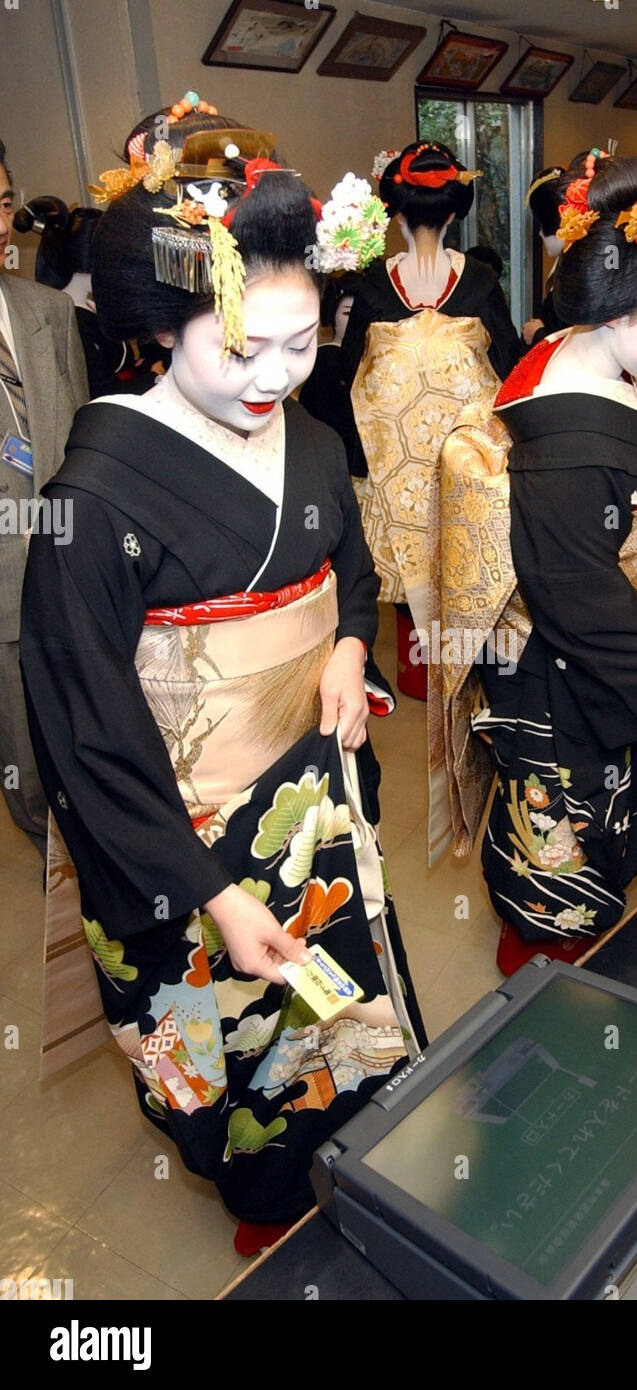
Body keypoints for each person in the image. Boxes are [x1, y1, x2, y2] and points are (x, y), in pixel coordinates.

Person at [19, 108, 424, 1250]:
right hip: (179, 833)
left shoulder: (307, 437)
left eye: (300, 346)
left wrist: (348, 642)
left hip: (316, 793)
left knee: (347, 995)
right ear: (159, 328)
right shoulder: (90, 499)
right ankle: (272, 1210)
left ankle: (362, 1161)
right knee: (244, 1039)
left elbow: (350, 560)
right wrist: (208, 890)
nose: (274, 377)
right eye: (239, 348)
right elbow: (88, 734)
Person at [429, 156, 637, 974]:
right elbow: (576, 595)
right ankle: (543, 968)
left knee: (594, 798)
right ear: (613, 306)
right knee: (564, 815)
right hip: (561, 650)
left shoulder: (582, 355)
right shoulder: (570, 444)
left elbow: (626, 475)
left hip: (584, 618)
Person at [340, 141, 521, 698]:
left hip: (396, 465)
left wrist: (355, 461)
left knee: (411, 550)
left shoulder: (370, 286)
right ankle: (475, 670)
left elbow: (344, 379)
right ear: (453, 213)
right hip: (468, 456)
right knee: (472, 553)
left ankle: (423, 676)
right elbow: (511, 366)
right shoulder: (480, 284)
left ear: (393, 212)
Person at [0, 139, 88, 856]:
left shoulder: (48, 312)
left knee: (85, 730)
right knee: (24, 759)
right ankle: (47, 857)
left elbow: (80, 439)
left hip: (67, 565)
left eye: (2, 204)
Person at [16, 197, 167, 397]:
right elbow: (100, 392)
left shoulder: (87, 308)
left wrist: (143, 369)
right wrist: (152, 378)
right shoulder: (73, 321)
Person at [297, 271, 362, 471]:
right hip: (336, 464)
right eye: (348, 313)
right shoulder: (325, 360)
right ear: (333, 315)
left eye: (361, 313)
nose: (355, 321)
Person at [520, 165, 567, 348]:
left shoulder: (579, 275)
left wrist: (539, 335)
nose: (540, 233)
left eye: (543, 224)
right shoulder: (563, 263)